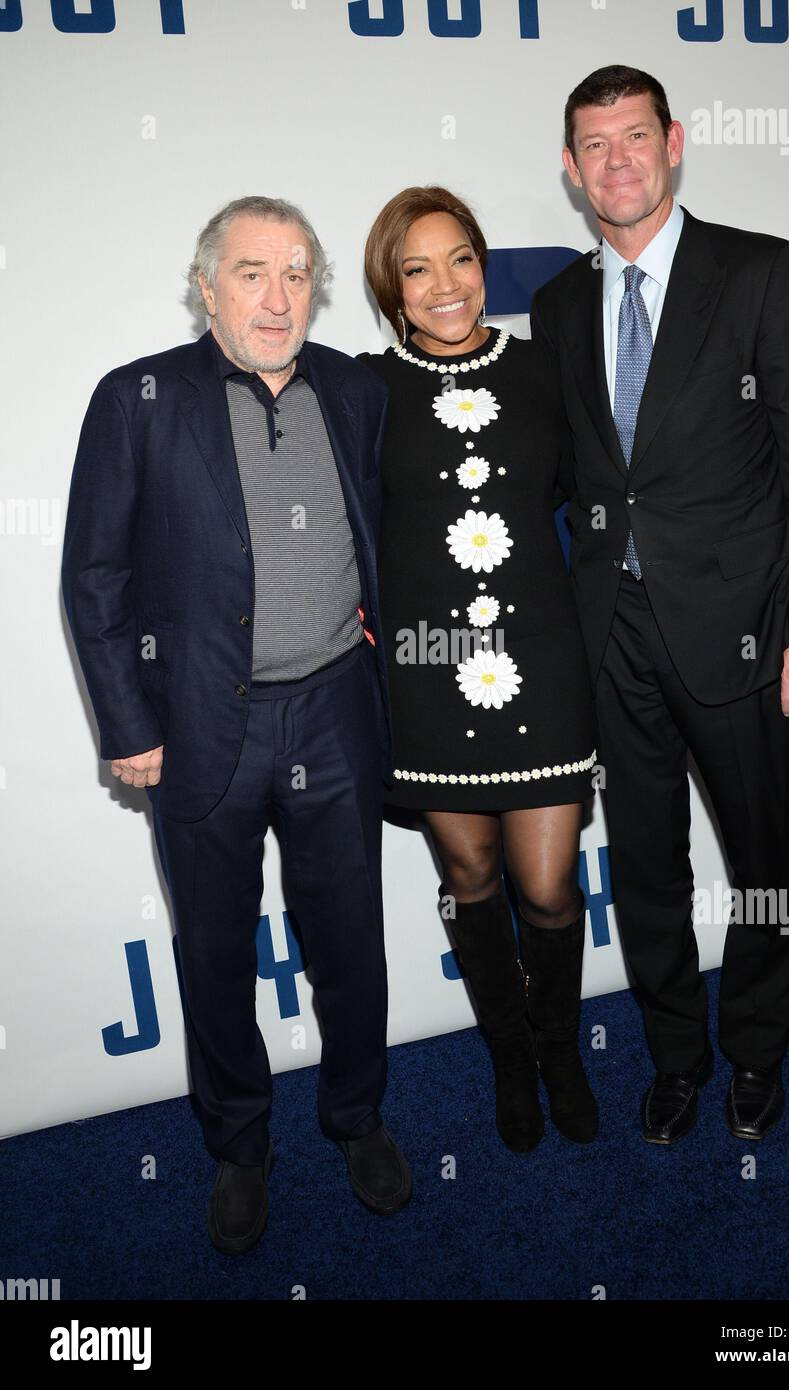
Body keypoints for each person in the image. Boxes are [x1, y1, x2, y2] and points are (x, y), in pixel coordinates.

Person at [61, 195, 411, 1254]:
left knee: (350, 939)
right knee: (213, 950)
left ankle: (356, 1117)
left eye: (298, 272)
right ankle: (239, 1147)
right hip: (199, 728)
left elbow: (389, 531)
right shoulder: (139, 399)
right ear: (206, 286)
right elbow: (95, 576)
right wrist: (129, 722)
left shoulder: (352, 387)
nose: (278, 296)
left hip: (337, 713)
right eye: (253, 272)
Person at [532, 66, 789, 1144]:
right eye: (594, 144)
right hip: (612, 636)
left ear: (674, 143)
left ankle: (756, 1052)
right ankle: (677, 1054)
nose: (616, 160)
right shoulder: (559, 303)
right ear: (572, 168)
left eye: (635, 137)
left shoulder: (760, 274)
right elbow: (571, 477)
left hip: (748, 630)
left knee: (762, 864)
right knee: (646, 864)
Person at [359, 186, 600, 1153]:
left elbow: (604, 501)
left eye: (460, 258)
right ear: (392, 289)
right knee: (470, 874)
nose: (446, 284)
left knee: (547, 885)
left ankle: (560, 1050)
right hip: (426, 671)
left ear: (483, 265)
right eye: (418, 268)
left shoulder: (546, 371)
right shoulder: (362, 392)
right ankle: (510, 1057)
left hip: (540, 660)